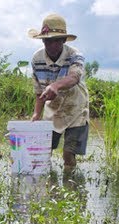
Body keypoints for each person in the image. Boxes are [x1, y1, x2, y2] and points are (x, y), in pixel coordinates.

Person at [28, 13, 89, 169]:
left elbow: (74, 77)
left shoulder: (75, 55)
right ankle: (44, 179)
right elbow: (39, 91)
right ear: (43, 41)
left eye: (57, 41)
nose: (52, 45)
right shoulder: (37, 59)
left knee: (68, 153)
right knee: (44, 150)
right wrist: (36, 114)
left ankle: (69, 180)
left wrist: (55, 86)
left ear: (64, 40)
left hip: (76, 108)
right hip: (53, 109)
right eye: (48, 41)